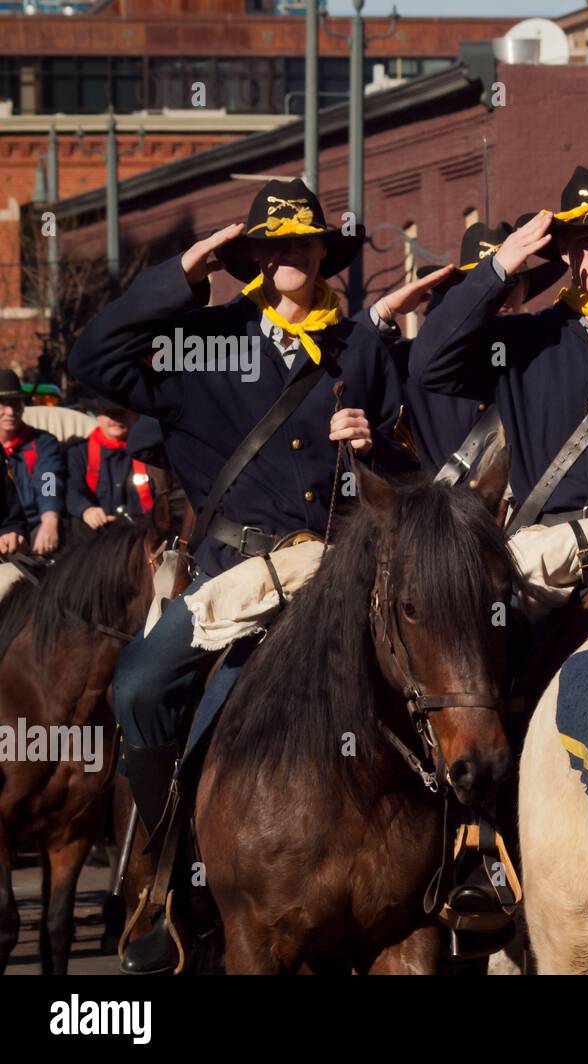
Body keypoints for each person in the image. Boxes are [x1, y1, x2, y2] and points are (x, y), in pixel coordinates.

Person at [69, 177, 409, 975]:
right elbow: (91, 359)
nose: (290, 254)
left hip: (343, 573)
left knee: (452, 677)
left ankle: (467, 864)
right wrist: (182, 271)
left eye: (303, 240)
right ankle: (165, 874)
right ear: (249, 256)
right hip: (235, 578)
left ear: (327, 249)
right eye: (272, 243)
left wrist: (374, 450)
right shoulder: (204, 341)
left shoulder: (361, 345)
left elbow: (414, 469)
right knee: (140, 688)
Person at [408, 164, 588, 530]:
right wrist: (496, 271)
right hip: (546, 551)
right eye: (585, 243)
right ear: (565, 253)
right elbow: (428, 364)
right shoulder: (523, 342)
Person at [372, 220, 566, 474]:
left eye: (512, 279)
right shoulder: (416, 362)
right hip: (446, 510)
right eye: (483, 281)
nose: (500, 293)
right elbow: (346, 365)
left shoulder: (546, 356)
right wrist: (383, 312)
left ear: (526, 287)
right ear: (459, 294)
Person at [65, 396, 158, 538]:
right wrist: (86, 509)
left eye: (122, 413)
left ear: (135, 416)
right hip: (96, 536)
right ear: (99, 416)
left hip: (142, 535)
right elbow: (66, 487)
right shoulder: (77, 452)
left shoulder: (153, 454)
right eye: (110, 414)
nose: (116, 419)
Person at [0, 368, 65, 555]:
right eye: (3, 404)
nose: (11, 411)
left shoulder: (41, 442)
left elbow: (49, 479)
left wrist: (50, 518)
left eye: (16, 403)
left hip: (35, 524)